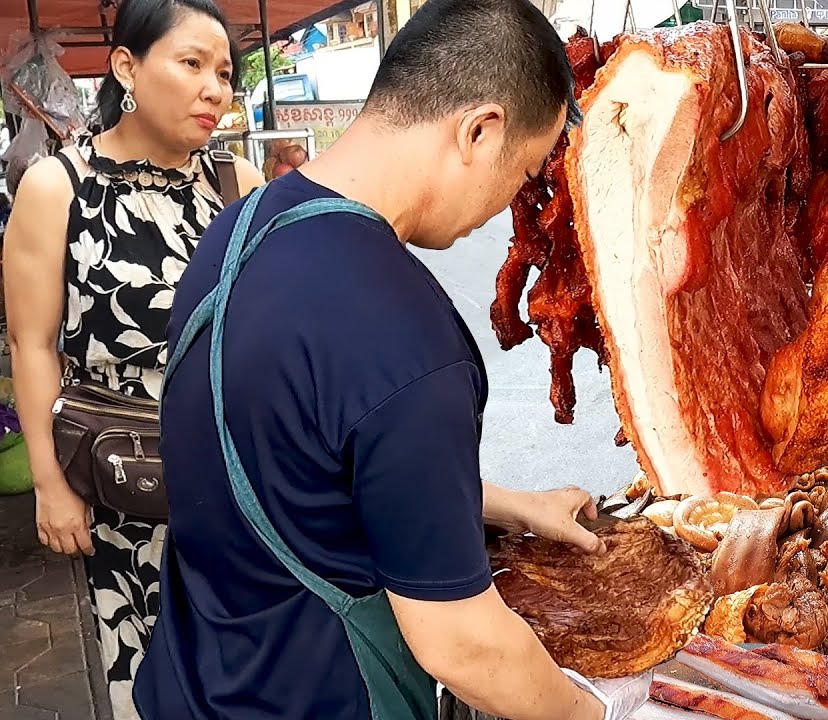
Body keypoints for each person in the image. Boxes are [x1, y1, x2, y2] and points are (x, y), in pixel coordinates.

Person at [134, 1, 650, 719]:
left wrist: (513, 505)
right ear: (480, 130)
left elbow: (304, 466)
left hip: (189, 687)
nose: (511, 205)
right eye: (526, 174)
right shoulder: (409, 341)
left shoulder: (240, 228)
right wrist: (594, 713)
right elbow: (462, 643)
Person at [2, 1, 263, 718]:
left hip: (241, 488)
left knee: (250, 673)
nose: (217, 88)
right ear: (127, 68)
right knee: (149, 680)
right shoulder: (59, 187)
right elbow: (32, 344)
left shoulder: (237, 185)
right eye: (192, 64)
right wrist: (51, 487)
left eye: (225, 72)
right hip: (125, 492)